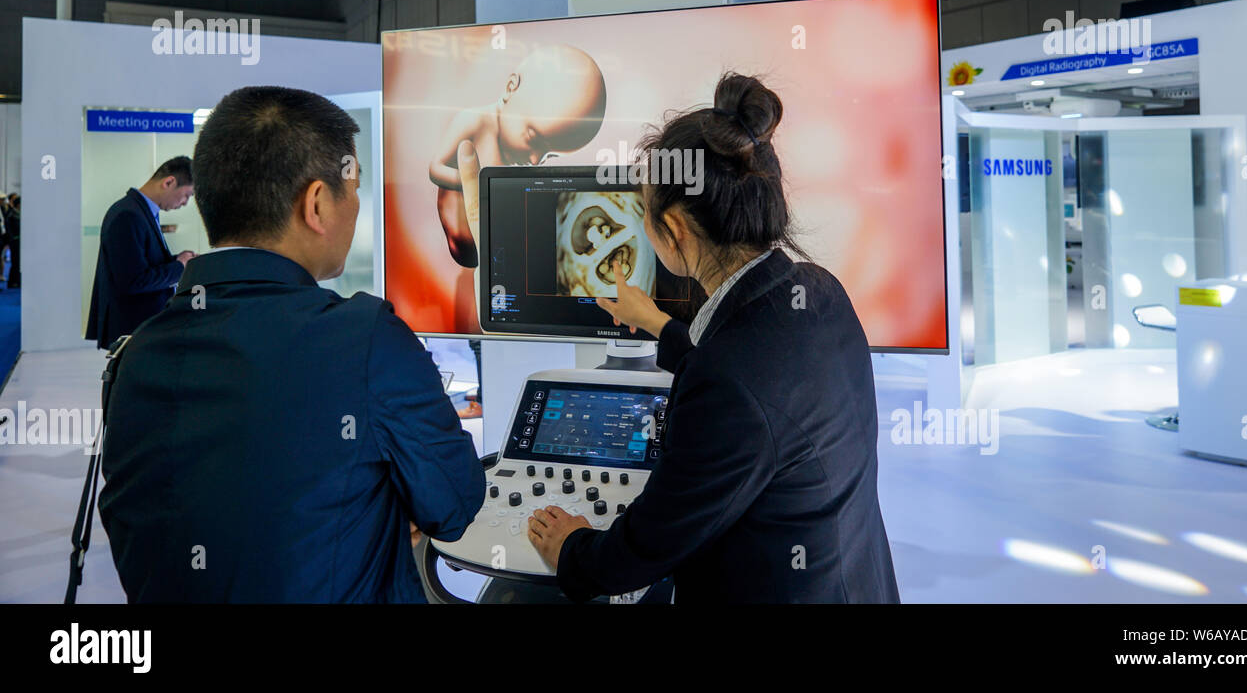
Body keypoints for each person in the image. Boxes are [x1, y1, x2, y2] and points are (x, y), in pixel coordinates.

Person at [507, 72, 900, 603]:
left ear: (674, 229)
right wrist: (662, 327)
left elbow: (642, 550)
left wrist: (573, 546)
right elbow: (760, 391)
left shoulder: (726, 382)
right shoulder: (817, 291)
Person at [98, 86, 485, 603]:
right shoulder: (366, 339)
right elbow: (455, 503)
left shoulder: (137, 354)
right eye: (354, 191)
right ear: (318, 203)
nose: (357, 208)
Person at [428, 44, 607, 268]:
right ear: (510, 88)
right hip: (461, 229)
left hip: (491, 243)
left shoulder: (518, 153)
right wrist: (476, 185)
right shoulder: (474, 121)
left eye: (549, 155)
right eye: (533, 138)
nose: (535, 160)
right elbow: (436, 168)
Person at [85, 163, 193, 348]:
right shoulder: (128, 215)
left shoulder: (140, 211)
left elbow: (142, 262)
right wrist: (179, 267)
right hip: (133, 328)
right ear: (169, 182)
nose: (185, 203)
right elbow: (133, 280)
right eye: (186, 195)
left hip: (141, 328)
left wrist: (178, 260)